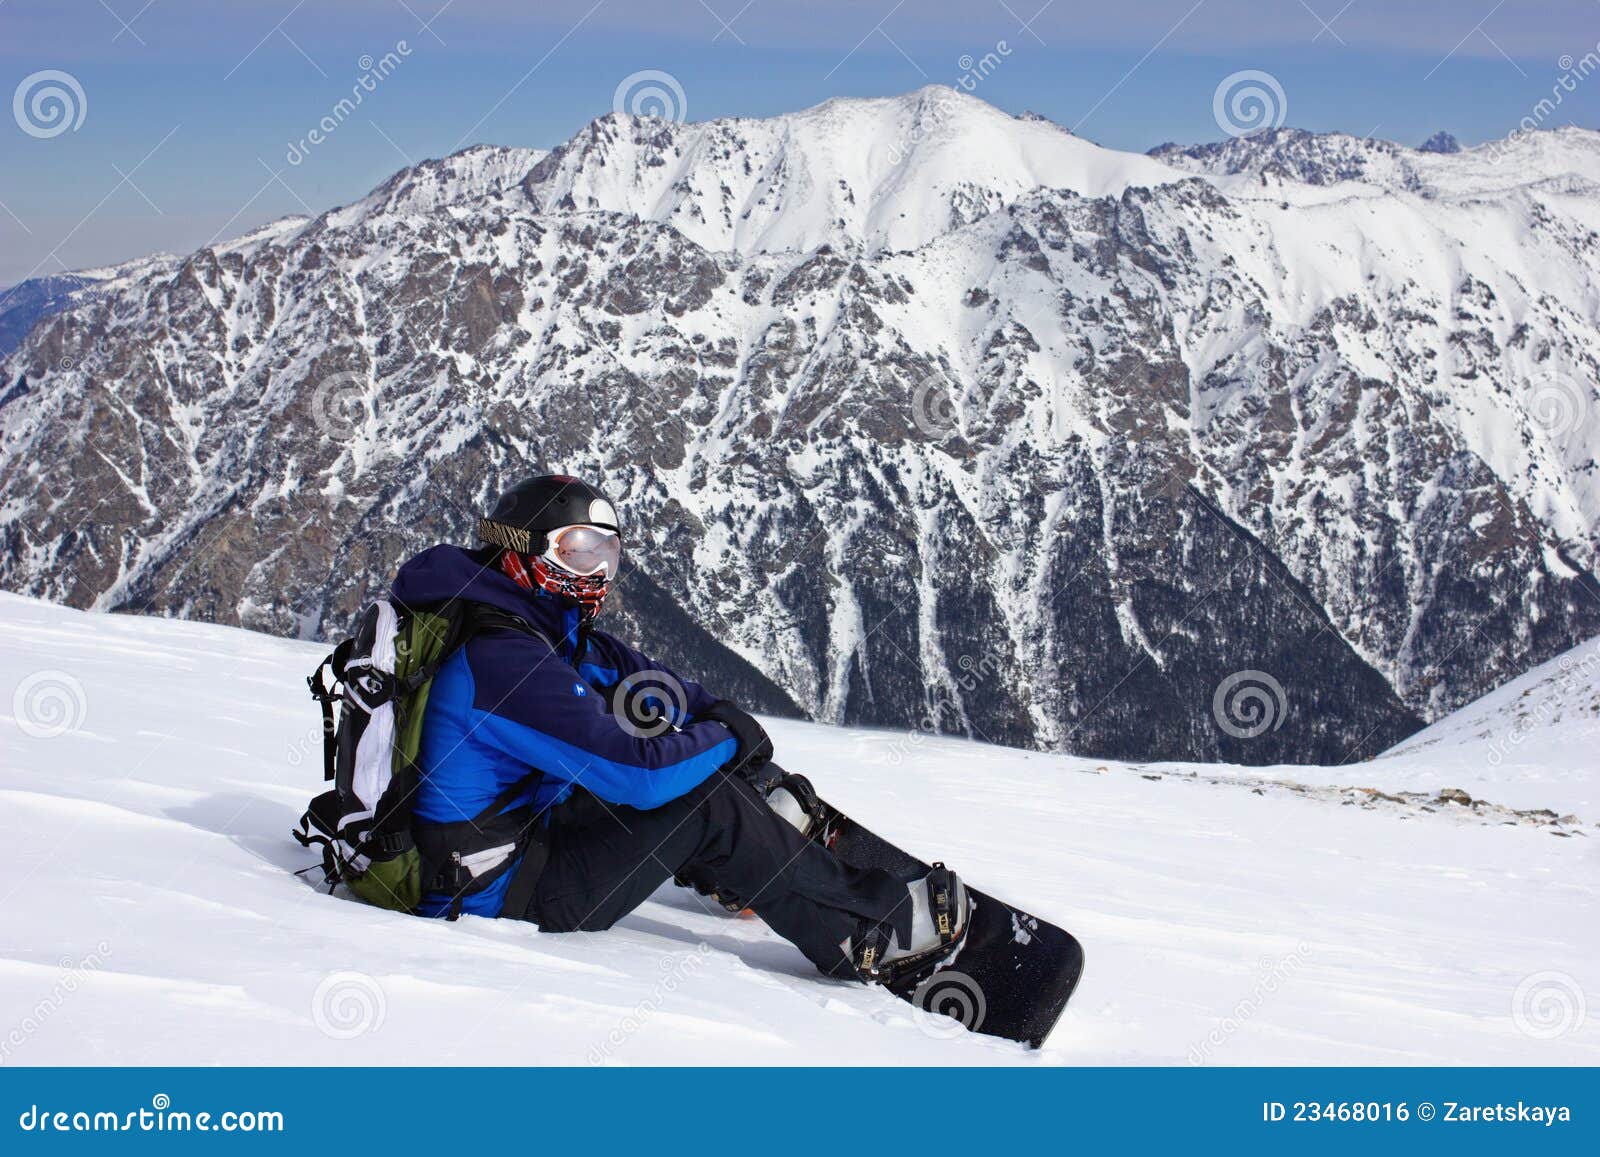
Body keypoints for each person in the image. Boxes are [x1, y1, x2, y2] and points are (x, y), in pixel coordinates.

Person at [387, 473, 969, 982]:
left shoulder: (525, 620)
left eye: (607, 555)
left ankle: (753, 852)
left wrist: (713, 716)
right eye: (578, 551)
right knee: (700, 798)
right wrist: (728, 740)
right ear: (523, 550)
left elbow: (640, 685)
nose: (596, 573)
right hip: (494, 896)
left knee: (668, 746)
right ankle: (865, 932)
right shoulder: (504, 659)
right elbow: (637, 779)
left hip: (508, 837)